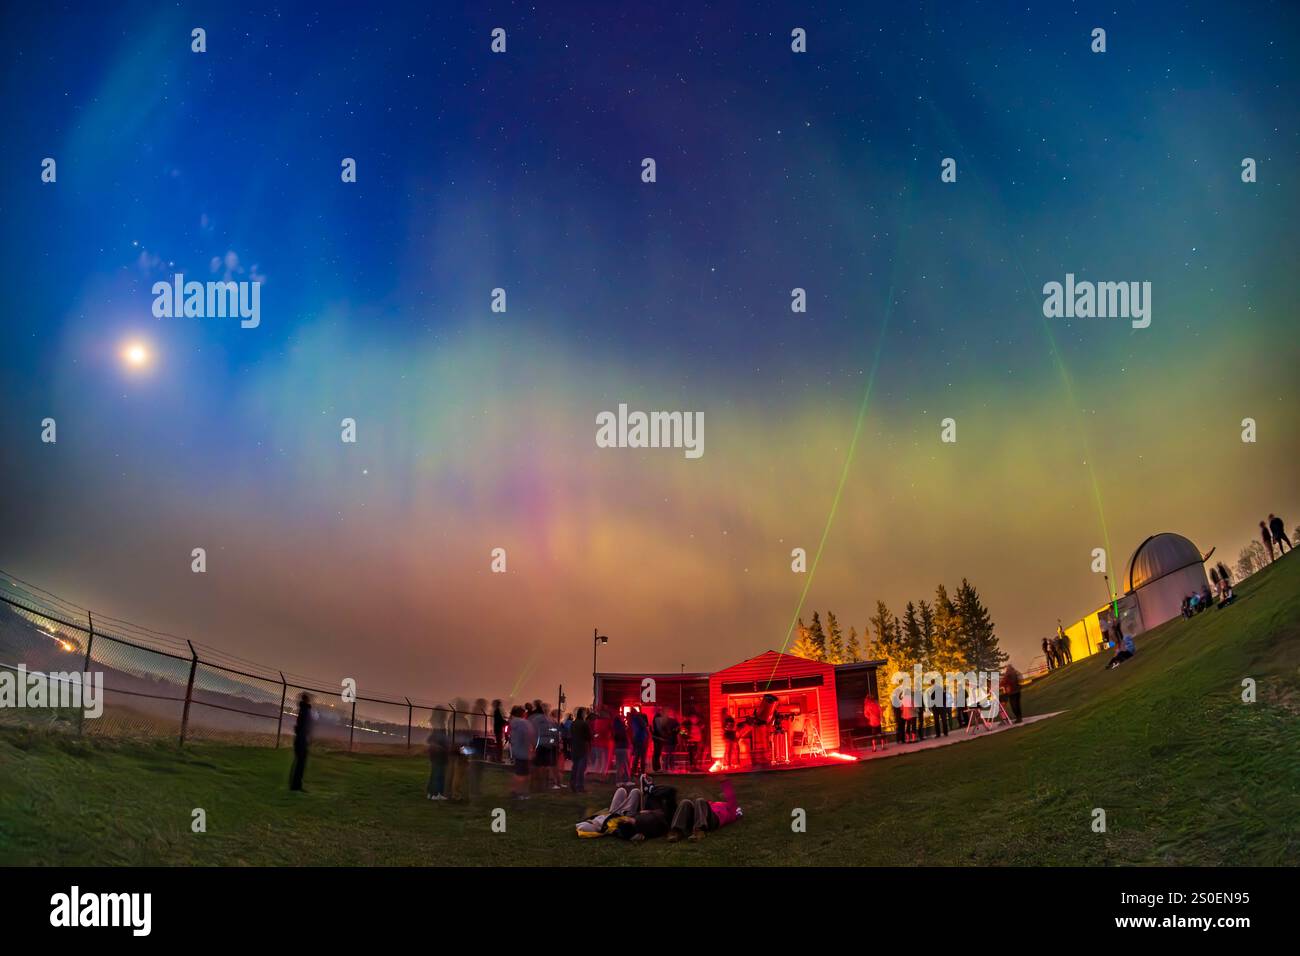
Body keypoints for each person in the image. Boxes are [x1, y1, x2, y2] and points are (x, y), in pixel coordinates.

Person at [667, 779, 741, 843]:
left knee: (700, 800)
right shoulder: (711, 803)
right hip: (699, 818)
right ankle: (676, 831)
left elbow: (732, 799)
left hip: (713, 820)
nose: (722, 795)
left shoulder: (731, 808)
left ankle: (700, 831)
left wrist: (725, 782)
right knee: (685, 802)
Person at [508, 705, 533, 799]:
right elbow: (527, 736)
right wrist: (530, 749)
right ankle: (520, 792)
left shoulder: (513, 723)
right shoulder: (524, 723)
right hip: (524, 751)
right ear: (523, 713)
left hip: (517, 750)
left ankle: (515, 791)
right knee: (523, 774)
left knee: (518, 773)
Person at [289, 692, 312, 792]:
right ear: (307, 700)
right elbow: (303, 726)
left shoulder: (304, 709)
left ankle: (295, 784)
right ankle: (296, 785)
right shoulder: (305, 710)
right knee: (300, 763)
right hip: (301, 740)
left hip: (300, 739)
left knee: (299, 762)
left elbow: (300, 725)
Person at [426, 712, 450, 800]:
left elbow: (430, 739)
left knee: (435, 773)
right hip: (440, 753)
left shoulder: (436, 724)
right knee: (439, 774)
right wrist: (442, 746)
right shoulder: (440, 725)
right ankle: (436, 794)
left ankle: (431, 793)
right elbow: (433, 739)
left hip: (435, 753)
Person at [569, 707, 592, 793]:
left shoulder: (573, 723)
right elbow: (588, 737)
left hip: (574, 747)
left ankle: (573, 783)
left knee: (575, 767)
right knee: (581, 768)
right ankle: (579, 786)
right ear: (582, 714)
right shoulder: (584, 724)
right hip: (582, 747)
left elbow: (570, 734)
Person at [611, 710, 631, 781]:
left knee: (618, 765)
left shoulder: (614, 726)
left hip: (617, 747)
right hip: (623, 747)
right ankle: (626, 779)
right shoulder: (621, 726)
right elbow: (624, 736)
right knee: (626, 764)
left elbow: (613, 736)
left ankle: (618, 780)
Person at [629, 707, 650, 775]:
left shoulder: (631, 719)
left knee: (637, 755)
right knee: (642, 756)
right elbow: (644, 725)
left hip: (636, 739)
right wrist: (647, 734)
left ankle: (634, 770)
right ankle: (642, 771)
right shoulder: (638, 718)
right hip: (642, 738)